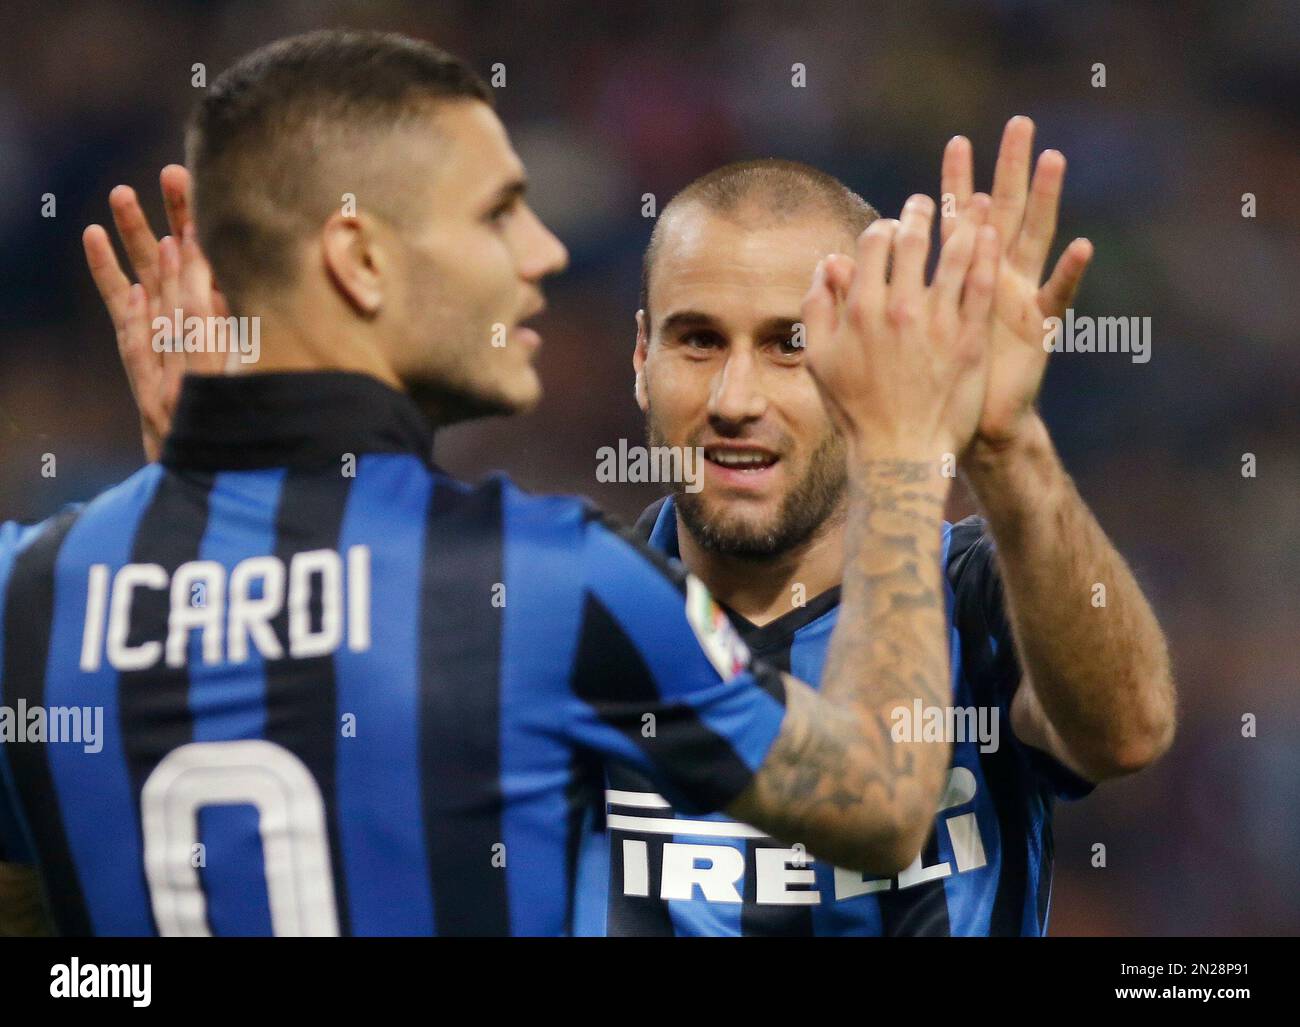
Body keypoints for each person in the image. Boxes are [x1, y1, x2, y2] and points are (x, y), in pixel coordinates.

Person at [0, 29, 998, 936]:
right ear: (361, 259)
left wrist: (206, 497)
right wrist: (907, 446)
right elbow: (879, 798)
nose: (545, 252)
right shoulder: (551, 582)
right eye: (497, 215)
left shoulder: (29, 591)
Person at [580, 121, 1175, 935]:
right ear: (642, 357)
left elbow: (1128, 731)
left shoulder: (979, 596)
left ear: (875, 353)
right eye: (698, 339)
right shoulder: (571, 616)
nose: (734, 397)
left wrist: (1007, 442)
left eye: (792, 344)